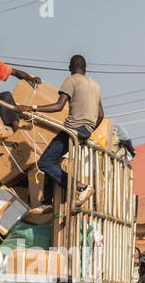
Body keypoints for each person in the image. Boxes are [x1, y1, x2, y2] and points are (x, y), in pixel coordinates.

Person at [16, 54, 99, 214]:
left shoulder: (71, 80)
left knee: (44, 163)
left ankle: (80, 187)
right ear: (85, 69)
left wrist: (31, 108)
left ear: (70, 68)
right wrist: (87, 133)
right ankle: (47, 201)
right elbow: (100, 114)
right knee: (51, 159)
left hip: (73, 128)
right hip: (85, 130)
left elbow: (59, 106)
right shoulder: (95, 85)